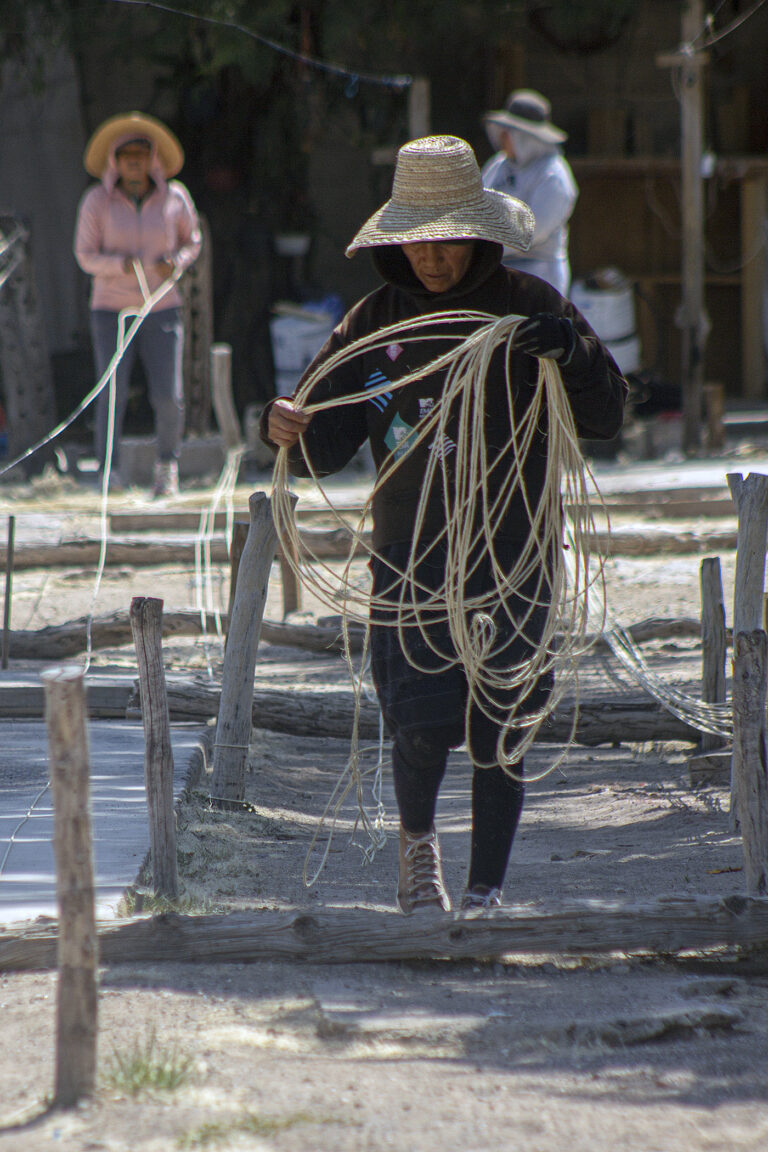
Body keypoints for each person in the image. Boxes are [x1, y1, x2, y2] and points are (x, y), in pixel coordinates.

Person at [261, 135, 626, 914]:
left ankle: (487, 888)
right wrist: (284, 426)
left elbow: (607, 415)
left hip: (517, 544)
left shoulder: (531, 308)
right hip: (410, 551)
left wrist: (573, 350)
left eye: (448, 240)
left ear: (478, 233)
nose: (433, 258)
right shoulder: (374, 320)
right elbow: (325, 444)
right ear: (399, 241)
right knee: (420, 718)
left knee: (505, 715)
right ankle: (419, 852)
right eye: (418, 242)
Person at [74, 111, 202, 496]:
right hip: (110, 309)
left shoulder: (176, 196)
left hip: (162, 306)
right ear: (115, 160)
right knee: (110, 388)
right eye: (126, 154)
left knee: (168, 394)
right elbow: (84, 255)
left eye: (141, 154)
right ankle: (108, 472)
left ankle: (167, 468)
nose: (134, 161)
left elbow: (192, 241)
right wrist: (119, 265)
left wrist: (175, 263)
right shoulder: (96, 200)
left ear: (153, 159)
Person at [481, 89, 578, 296]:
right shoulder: (498, 165)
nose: (502, 137)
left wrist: (481, 249)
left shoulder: (552, 175)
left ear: (526, 137)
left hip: (539, 275)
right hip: (496, 270)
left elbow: (532, 231)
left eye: (509, 132)